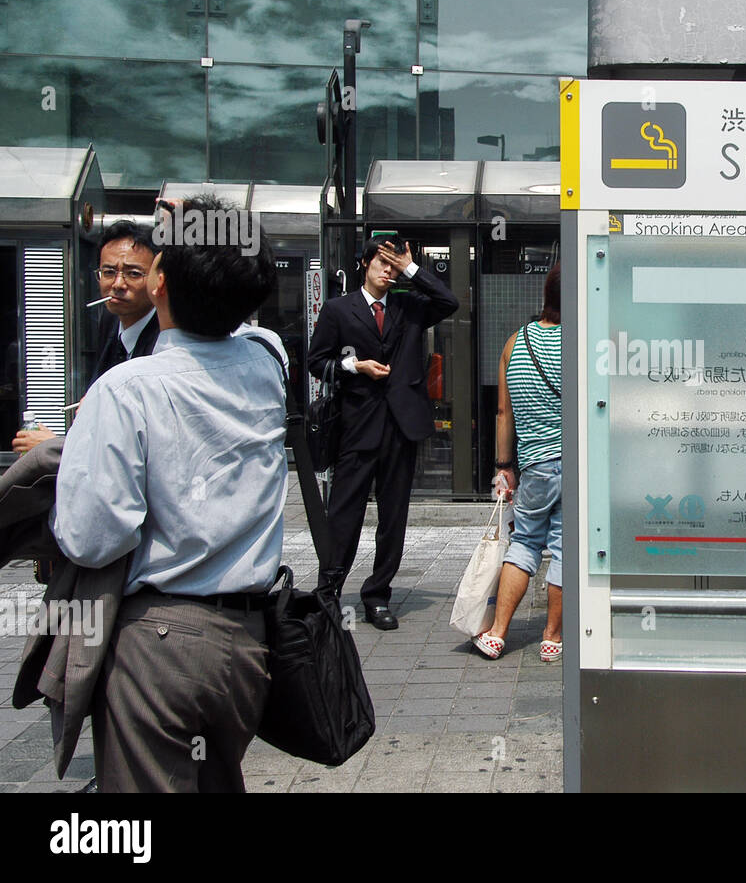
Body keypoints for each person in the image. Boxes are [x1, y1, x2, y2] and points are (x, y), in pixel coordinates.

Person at [48, 196, 286, 792]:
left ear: (158, 282)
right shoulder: (267, 367)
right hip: (248, 644)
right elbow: (248, 316)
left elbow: (91, 536)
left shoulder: (126, 390)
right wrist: (217, 233)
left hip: (159, 643)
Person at [307, 237, 459, 630]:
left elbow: (448, 302)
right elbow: (316, 361)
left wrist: (412, 269)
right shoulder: (339, 310)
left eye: (394, 265)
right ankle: (329, 591)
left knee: (393, 518)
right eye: (382, 263)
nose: (388, 271)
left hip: (400, 426)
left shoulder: (409, 306)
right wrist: (355, 367)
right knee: (344, 514)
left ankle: (377, 596)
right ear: (364, 264)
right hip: (356, 426)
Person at [11, 218, 160, 452]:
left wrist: (56, 446)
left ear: (156, 279)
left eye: (133, 273)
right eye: (108, 272)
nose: (118, 284)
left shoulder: (166, 338)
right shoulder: (110, 319)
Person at [475, 265, 562, 662]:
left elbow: (503, 413)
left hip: (534, 469)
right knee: (564, 550)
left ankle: (497, 633)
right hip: (576, 468)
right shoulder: (583, 340)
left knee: (524, 542)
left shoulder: (515, 342)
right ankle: (551, 638)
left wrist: (504, 465)